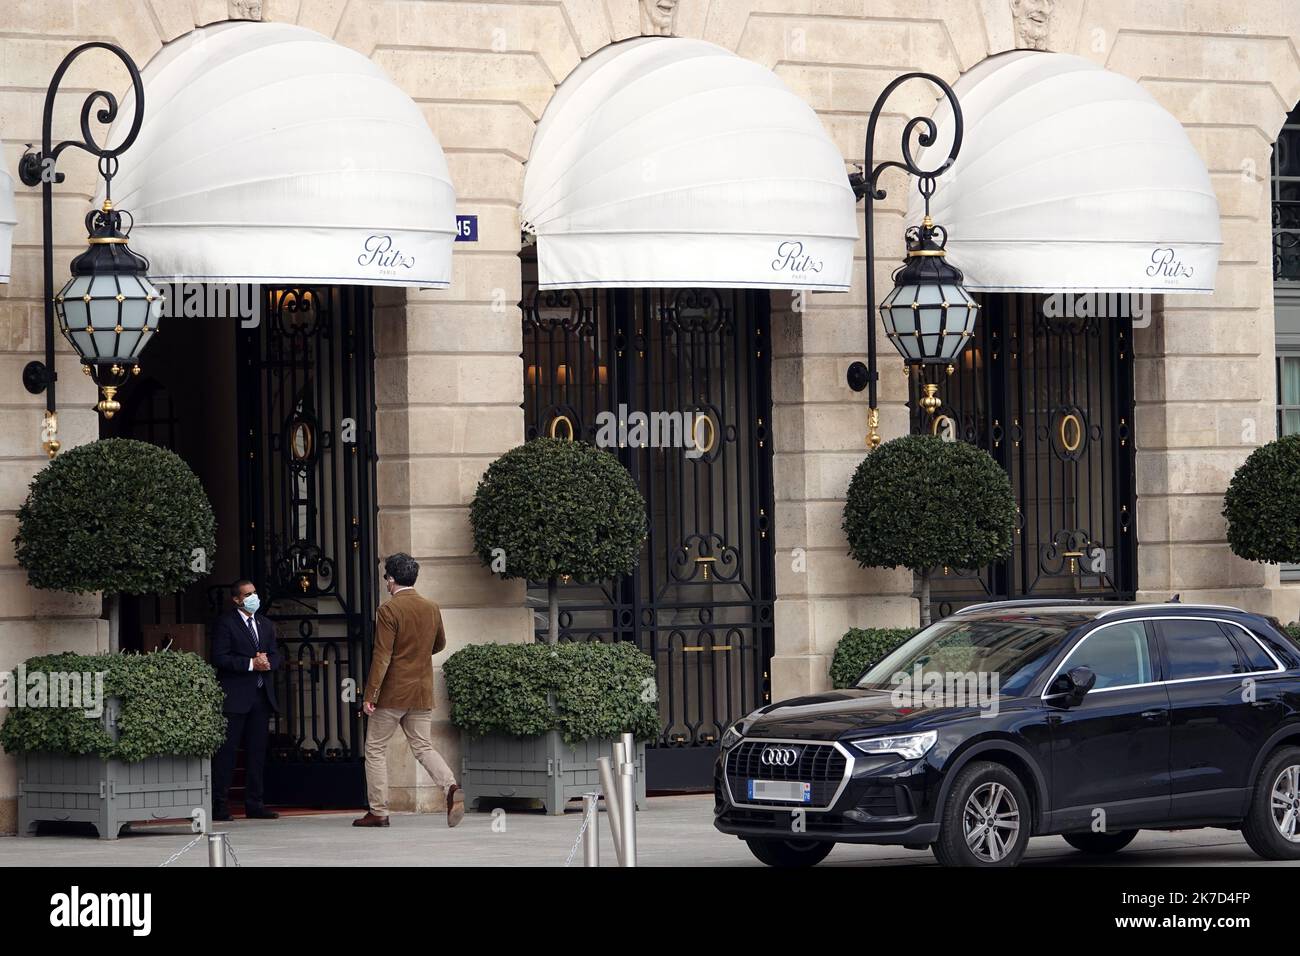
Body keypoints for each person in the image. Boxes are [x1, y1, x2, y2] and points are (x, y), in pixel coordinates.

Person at [353, 553, 463, 828]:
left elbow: (382, 656)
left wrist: (370, 695)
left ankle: (378, 811)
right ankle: (450, 787)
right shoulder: (431, 607)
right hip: (421, 690)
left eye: (386, 578)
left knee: (375, 749)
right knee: (423, 746)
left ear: (391, 579)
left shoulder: (388, 610)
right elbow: (439, 644)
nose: (386, 583)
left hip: (392, 692)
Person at [211, 580, 281, 821]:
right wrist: (251, 663)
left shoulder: (265, 623)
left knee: (256, 753)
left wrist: (267, 662)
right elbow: (219, 657)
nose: (253, 597)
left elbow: (275, 654)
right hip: (236, 698)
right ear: (237, 599)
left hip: (261, 698)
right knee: (227, 753)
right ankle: (219, 804)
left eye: (255, 592)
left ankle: (255, 803)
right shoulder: (225, 623)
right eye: (248, 594)